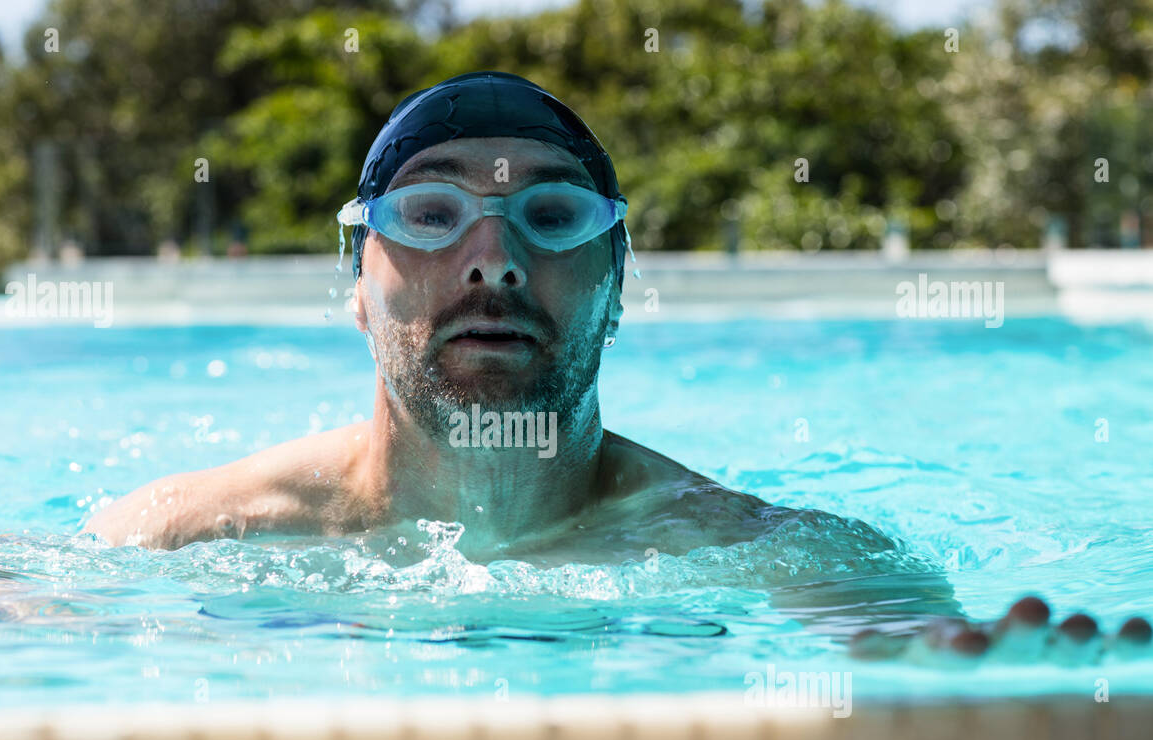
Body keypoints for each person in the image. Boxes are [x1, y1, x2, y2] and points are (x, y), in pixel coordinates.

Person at [83, 72, 1146, 654]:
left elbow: (928, 655)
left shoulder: (784, 554)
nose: (492, 261)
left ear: (618, 277)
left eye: (548, 215)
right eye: (430, 213)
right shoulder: (177, 530)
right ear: (356, 280)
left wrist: (989, 671)